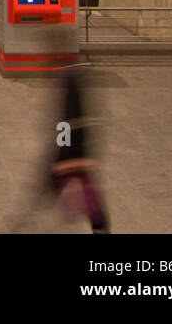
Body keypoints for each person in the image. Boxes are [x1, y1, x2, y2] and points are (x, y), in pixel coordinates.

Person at [46, 64, 110, 234]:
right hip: (73, 156)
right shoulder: (71, 104)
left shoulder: (69, 103)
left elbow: (67, 124)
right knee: (96, 212)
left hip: (72, 157)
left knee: (95, 210)